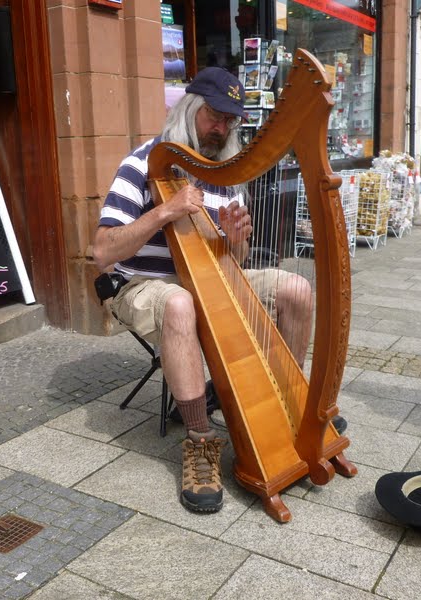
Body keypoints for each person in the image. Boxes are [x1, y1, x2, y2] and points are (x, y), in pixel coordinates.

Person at [93, 67, 319, 514]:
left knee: (296, 287)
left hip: (207, 280)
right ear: (189, 110)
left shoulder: (225, 175)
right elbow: (100, 252)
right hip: (139, 283)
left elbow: (228, 262)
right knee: (179, 303)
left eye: (230, 121)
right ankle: (199, 443)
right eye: (214, 117)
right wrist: (165, 212)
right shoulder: (141, 164)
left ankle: (286, 401)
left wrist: (236, 241)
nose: (222, 129)